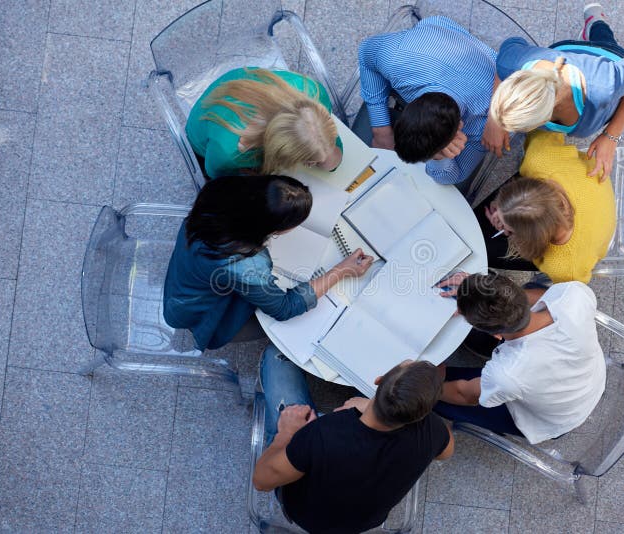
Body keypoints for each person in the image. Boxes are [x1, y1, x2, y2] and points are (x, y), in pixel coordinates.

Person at [253, 346, 454, 533]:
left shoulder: (321, 434)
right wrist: (367, 405)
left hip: (306, 515)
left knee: (276, 356)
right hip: (365, 521)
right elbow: (447, 452)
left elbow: (261, 481)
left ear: (378, 380)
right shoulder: (432, 430)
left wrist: (287, 434)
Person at [163, 175, 372, 350]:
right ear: (271, 228)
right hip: (199, 309)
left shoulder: (221, 190)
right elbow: (285, 308)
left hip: (185, 272)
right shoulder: (245, 265)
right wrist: (341, 270)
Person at [483, 3, 624, 179]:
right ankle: (593, 26)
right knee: (599, 36)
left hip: (609, 56)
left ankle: (596, 21)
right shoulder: (511, 64)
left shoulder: (605, 85)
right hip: (564, 50)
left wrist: (611, 136)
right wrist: (494, 120)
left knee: (604, 37)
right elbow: (507, 51)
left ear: (546, 117)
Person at [434, 272, 606, 444]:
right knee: (533, 289)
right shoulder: (575, 295)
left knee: (435, 391)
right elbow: (548, 295)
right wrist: (482, 292)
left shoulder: (506, 375)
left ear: (496, 334)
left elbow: (465, 395)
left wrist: (424, 383)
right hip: (592, 378)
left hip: (560, 419)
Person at [357, 15, 498, 186]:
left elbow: (455, 176)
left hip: (491, 67)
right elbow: (366, 52)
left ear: (460, 129)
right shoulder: (397, 59)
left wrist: (439, 157)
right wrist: (381, 131)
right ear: (411, 104)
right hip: (435, 38)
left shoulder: (489, 123)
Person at [476, 130, 616, 284]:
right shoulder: (539, 160)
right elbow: (548, 126)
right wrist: (502, 206)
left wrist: (510, 229)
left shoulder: (564, 268)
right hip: (593, 183)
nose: (497, 220)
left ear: (530, 239)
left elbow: (573, 292)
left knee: (484, 249)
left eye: (507, 228)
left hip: (596, 229)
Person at [185, 67, 343, 179]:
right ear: (278, 150)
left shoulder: (314, 93)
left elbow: (325, 151)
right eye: (307, 161)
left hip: (241, 88)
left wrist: (326, 154)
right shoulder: (229, 152)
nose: (312, 164)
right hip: (203, 134)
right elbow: (220, 179)